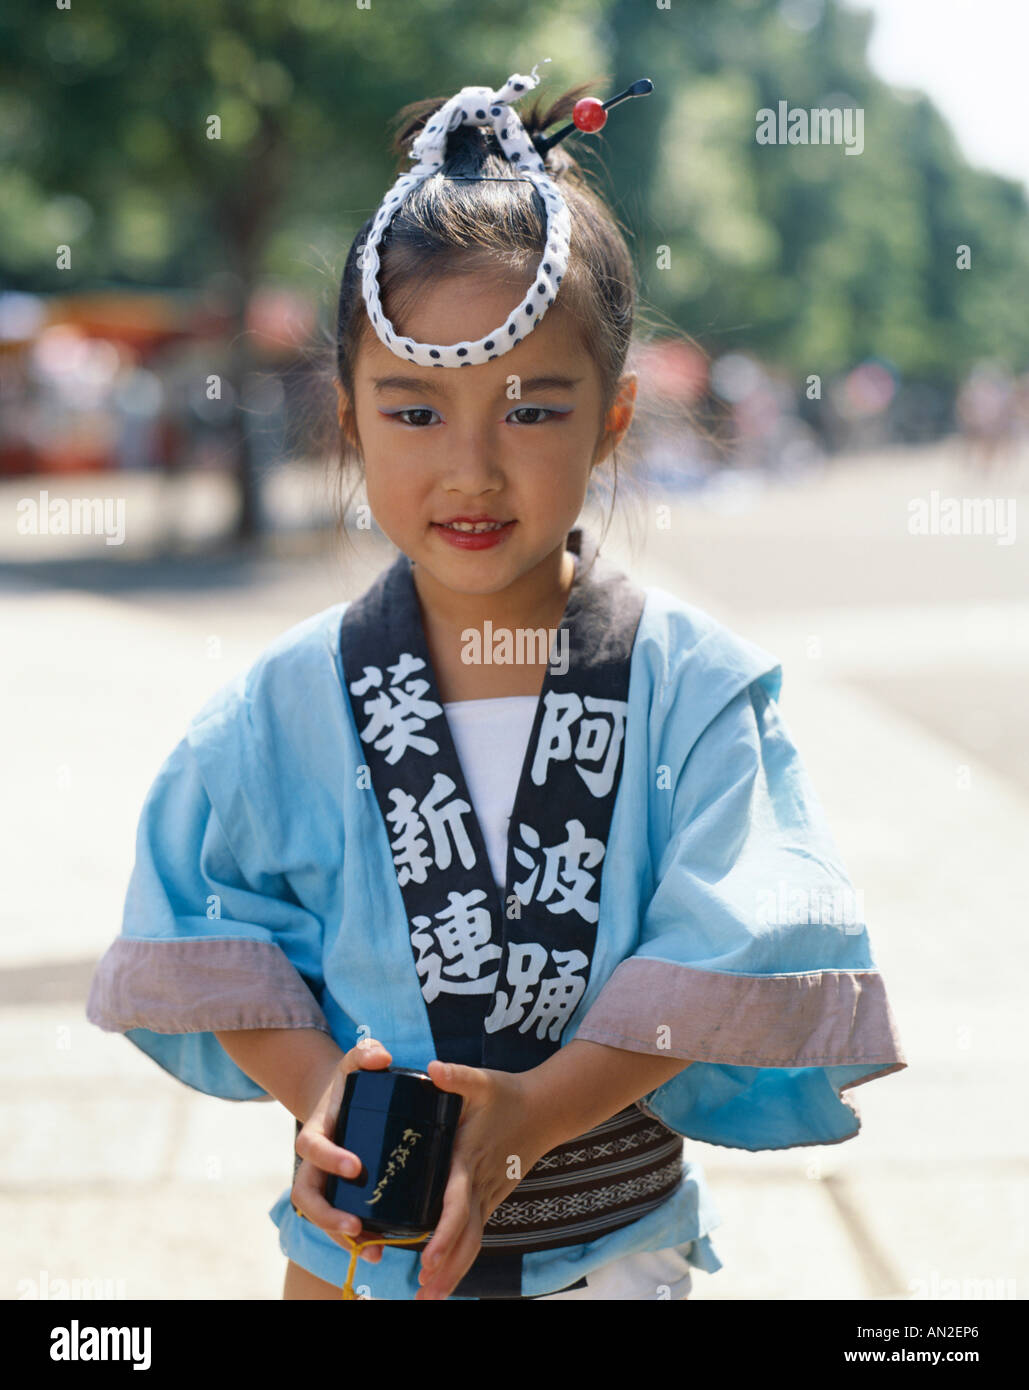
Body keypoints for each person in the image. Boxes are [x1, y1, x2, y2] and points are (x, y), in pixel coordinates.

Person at [86, 63, 907, 1302]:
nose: (469, 470)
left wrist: (534, 1114)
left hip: (614, 1244)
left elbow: (739, 939)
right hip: (360, 1248)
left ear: (614, 420)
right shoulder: (283, 702)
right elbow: (214, 926)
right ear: (350, 422)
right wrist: (325, 1097)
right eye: (415, 415)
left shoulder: (693, 690)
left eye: (530, 411)